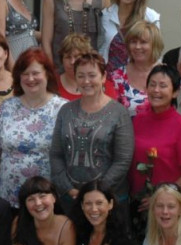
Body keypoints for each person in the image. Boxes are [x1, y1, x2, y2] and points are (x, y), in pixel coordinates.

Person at [0, 49, 67, 207]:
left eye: (35, 73)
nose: (30, 79)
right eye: (25, 74)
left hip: (48, 201)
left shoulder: (62, 109)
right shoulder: (5, 108)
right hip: (8, 198)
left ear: (47, 74)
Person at [50, 53, 134, 205]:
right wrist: (69, 189)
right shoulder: (65, 110)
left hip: (108, 199)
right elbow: (56, 155)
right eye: (81, 76)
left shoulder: (119, 112)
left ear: (103, 77)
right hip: (72, 198)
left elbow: (123, 160)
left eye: (92, 75)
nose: (86, 81)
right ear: (75, 78)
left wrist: (97, 192)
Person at [130, 65, 181, 219]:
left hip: (168, 208)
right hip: (138, 204)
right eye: (152, 85)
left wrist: (162, 197)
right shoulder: (138, 121)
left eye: (163, 86)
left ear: (175, 92)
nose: (156, 90)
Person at [100, 0, 161, 64]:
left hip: (138, 76)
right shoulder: (105, 16)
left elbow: (155, 53)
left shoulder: (151, 18)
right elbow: (102, 49)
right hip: (109, 76)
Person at [107, 20, 164, 115]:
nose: (137, 47)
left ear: (154, 45)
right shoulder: (117, 77)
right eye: (133, 42)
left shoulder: (168, 75)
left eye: (143, 42)